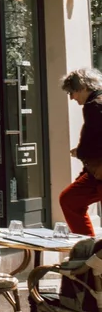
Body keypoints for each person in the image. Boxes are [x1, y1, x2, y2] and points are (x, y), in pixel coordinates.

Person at [58, 68, 102, 234]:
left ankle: (89, 252)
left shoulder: (94, 105)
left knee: (70, 200)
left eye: (72, 92)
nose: (72, 98)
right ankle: (87, 249)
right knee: (70, 200)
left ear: (83, 88)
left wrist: (81, 152)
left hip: (98, 171)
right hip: (94, 171)